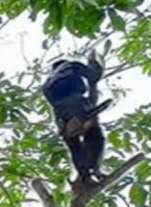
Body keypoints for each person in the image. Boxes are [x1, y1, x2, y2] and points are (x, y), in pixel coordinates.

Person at [42, 54, 110, 183]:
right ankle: (95, 169)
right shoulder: (71, 66)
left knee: (73, 144)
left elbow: (54, 104)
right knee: (95, 136)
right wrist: (94, 63)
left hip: (60, 115)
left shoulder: (46, 85)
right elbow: (94, 76)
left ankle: (85, 175)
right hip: (77, 105)